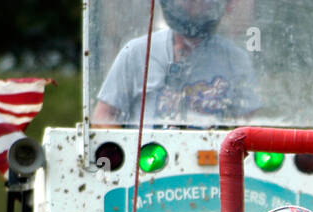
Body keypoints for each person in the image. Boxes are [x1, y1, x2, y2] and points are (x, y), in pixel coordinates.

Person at [92, 0, 259, 127]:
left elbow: (249, 125)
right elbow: (102, 118)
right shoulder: (137, 52)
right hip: (147, 166)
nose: (195, 4)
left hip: (214, 166)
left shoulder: (235, 59)